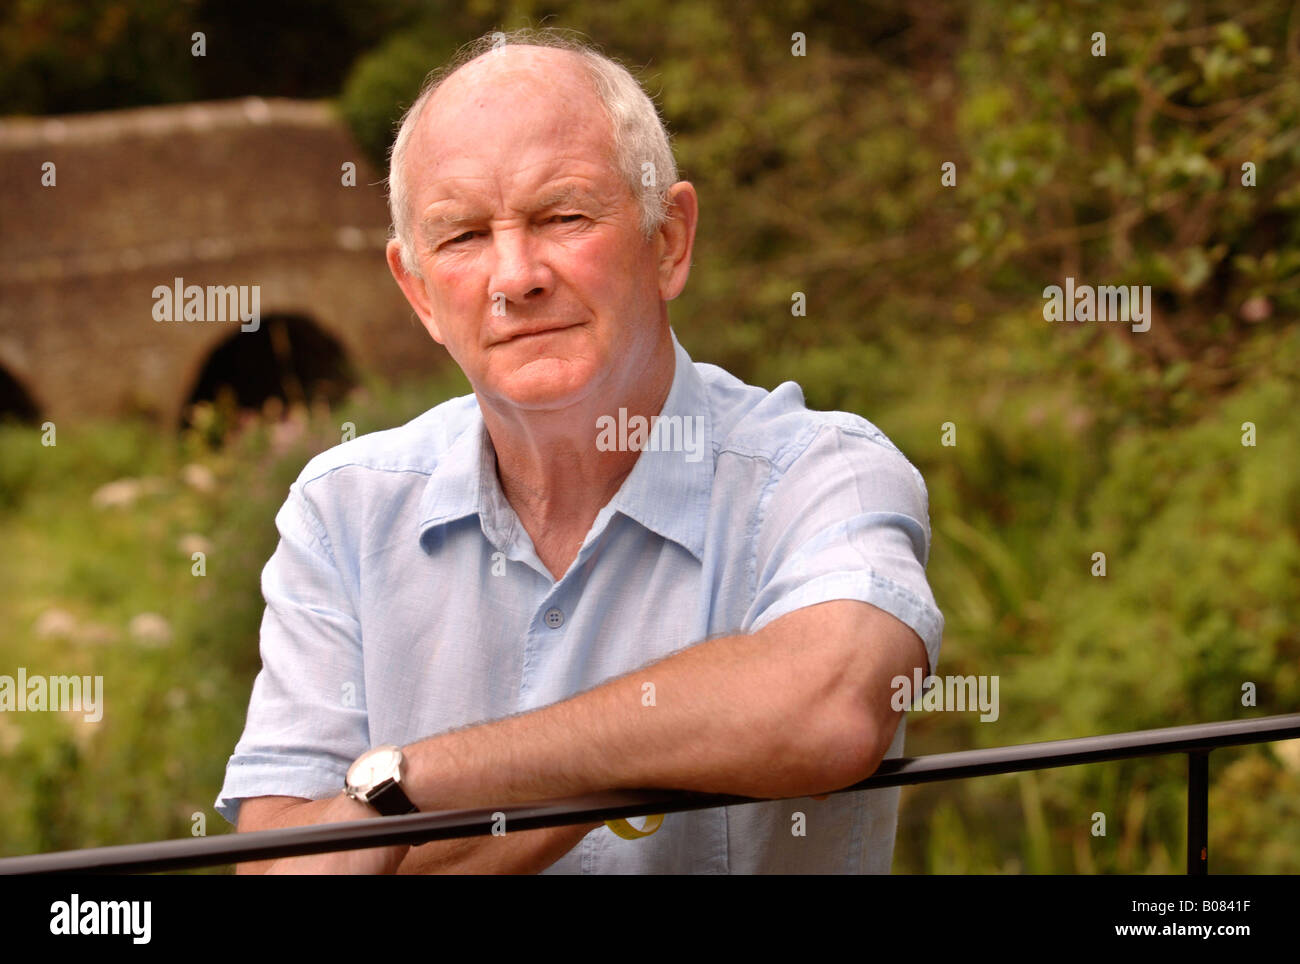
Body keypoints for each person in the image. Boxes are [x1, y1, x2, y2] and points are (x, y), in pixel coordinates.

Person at [215, 27, 943, 874]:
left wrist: (414, 785)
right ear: (417, 292)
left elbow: (830, 710)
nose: (515, 276)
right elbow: (281, 869)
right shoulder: (342, 509)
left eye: (563, 216)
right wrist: (664, 743)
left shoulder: (823, 474)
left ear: (667, 239)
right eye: (461, 237)